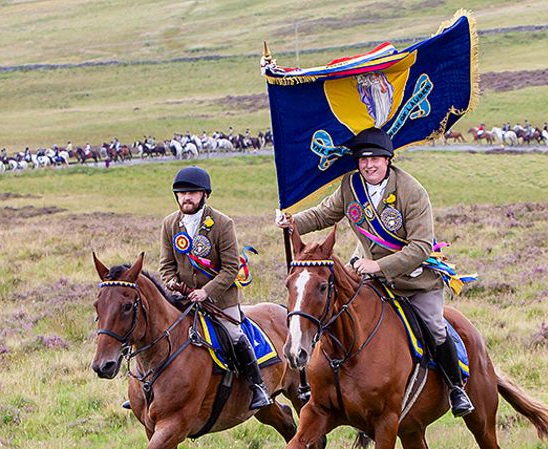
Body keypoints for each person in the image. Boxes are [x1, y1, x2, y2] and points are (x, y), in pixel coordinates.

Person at [276, 127, 474, 417]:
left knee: (434, 326)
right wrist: (293, 222)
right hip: (368, 274)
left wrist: (379, 265)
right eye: (363, 159)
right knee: (339, 312)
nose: (369, 165)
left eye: (376, 159)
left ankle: (455, 388)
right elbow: (323, 214)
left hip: (413, 279)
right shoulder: (350, 186)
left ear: (388, 160)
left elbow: (420, 247)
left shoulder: (412, 192)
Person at [159, 166, 272, 410]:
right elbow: (166, 265)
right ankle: (148, 390)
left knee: (234, 335)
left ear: (204, 195)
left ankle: (258, 386)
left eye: (192, 193)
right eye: (181, 193)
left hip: (220, 301)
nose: (186, 197)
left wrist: (206, 291)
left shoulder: (222, 223)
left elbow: (231, 269)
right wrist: (170, 282)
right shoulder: (169, 224)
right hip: (183, 301)